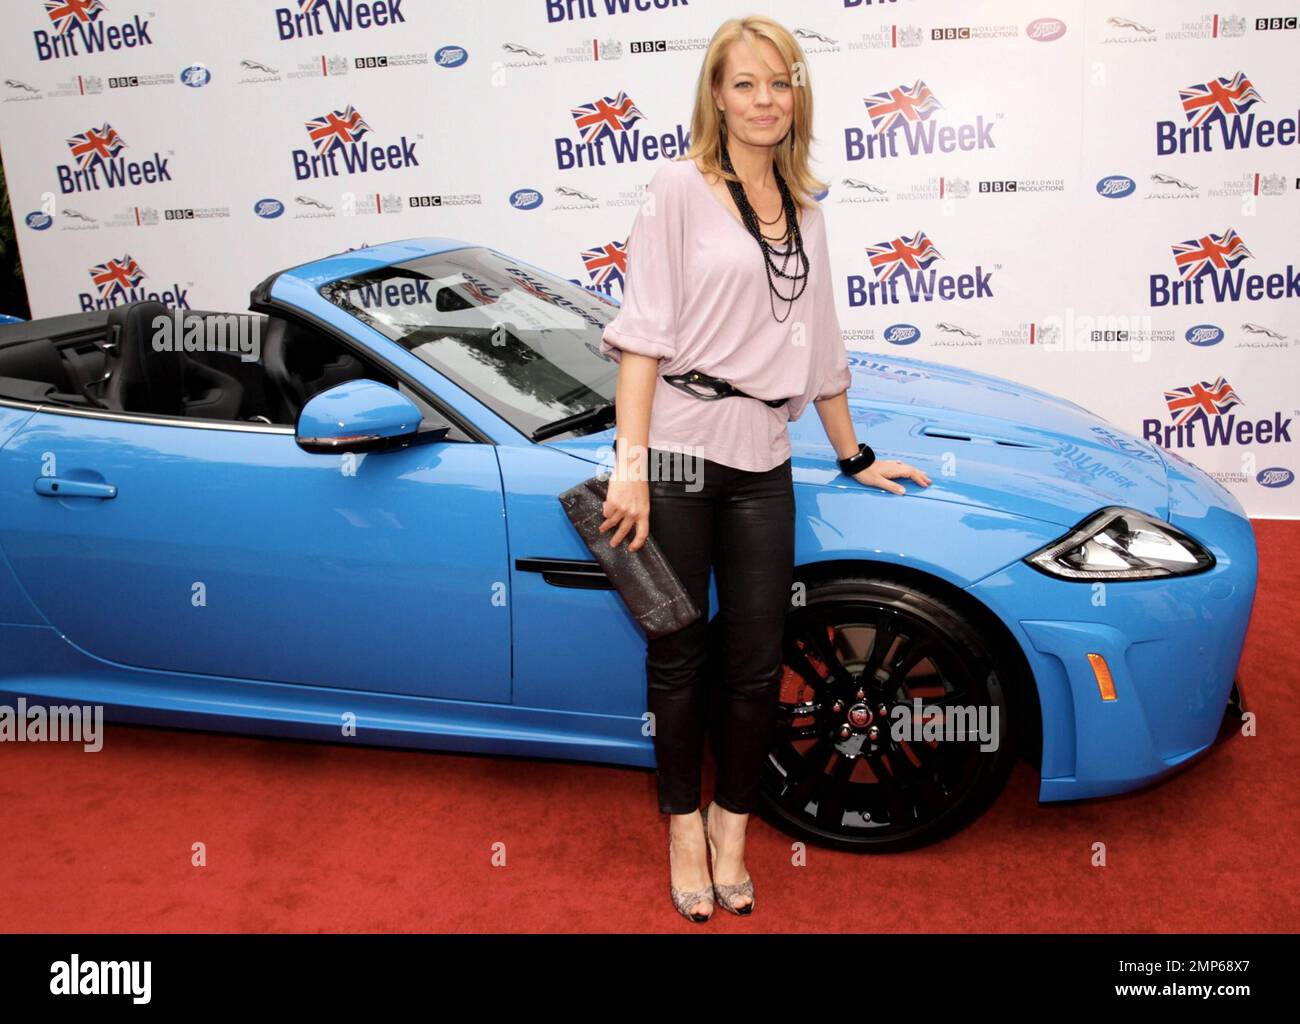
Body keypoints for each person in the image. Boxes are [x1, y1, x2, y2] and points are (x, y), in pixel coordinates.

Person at [597, 15, 931, 922]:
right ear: (716, 95)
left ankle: (731, 823)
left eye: (779, 83)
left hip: (763, 456)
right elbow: (641, 340)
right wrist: (629, 467)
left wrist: (853, 453)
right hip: (672, 450)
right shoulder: (675, 188)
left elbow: (819, 346)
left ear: (798, 95)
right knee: (677, 654)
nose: (764, 100)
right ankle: (679, 826)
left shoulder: (811, 213)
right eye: (745, 84)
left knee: (753, 661)